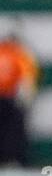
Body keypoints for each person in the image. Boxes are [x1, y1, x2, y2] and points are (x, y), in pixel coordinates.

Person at [0, 33, 39, 166]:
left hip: (11, 99)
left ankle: (13, 158)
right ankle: (11, 158)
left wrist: (24, 98)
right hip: (9, 99)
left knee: (14, 131)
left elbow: (27, 79)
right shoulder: (15, 54)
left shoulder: (19, 55)